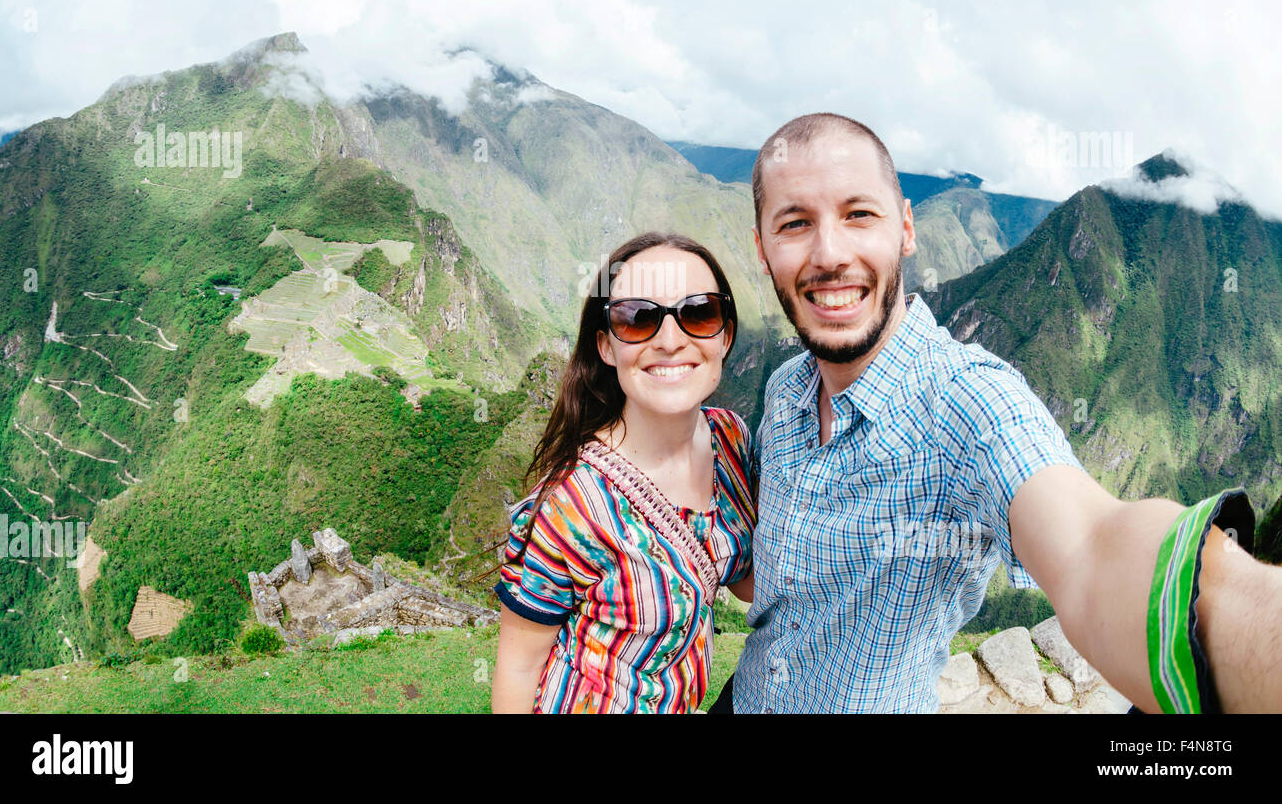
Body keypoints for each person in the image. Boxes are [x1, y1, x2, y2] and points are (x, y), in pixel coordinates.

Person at [711, 111, 1282, 714]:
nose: (829, 253)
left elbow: (1091, 546)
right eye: (795, 223)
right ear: (763, 249)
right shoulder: (784, 393)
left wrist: (1238, 619)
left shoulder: (970, 405)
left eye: (859, 214)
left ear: (905, 228)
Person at [492, 232, 756, 713]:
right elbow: (518, 665)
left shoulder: (731, 442)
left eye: (698, 313)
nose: (671, 341)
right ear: (607, 347)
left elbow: (747, 580)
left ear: (726, 334)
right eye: (637, 320)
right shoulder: (572, 505)